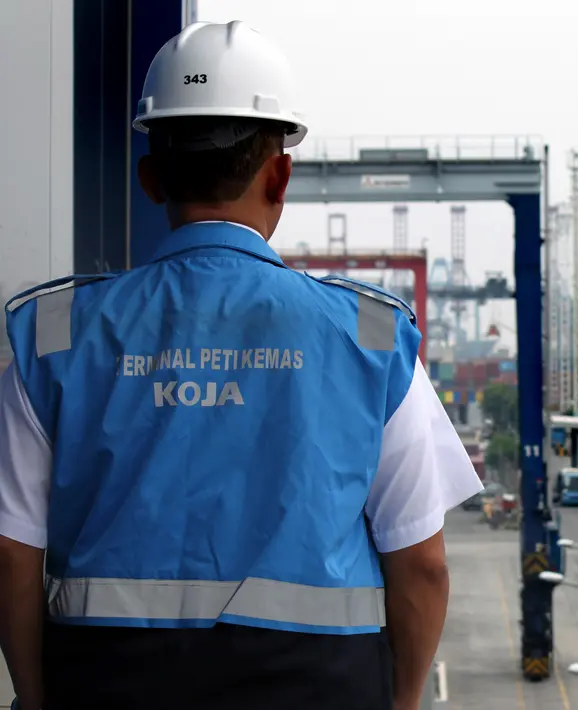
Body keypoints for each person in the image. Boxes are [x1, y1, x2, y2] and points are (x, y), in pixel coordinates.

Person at [0, 20, 483, 710]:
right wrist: (402, 702)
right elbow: (423, 566)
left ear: (150, 178)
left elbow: (11, 553)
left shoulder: (52, 334)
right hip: (323, 688)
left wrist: (38, 699)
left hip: (106, 683)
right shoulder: (371, 337)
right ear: (280, 173)